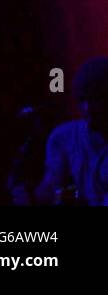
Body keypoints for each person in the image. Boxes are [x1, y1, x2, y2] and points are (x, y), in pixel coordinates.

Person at [36, 57, 108, 205]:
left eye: (96, 99)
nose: (87, 108)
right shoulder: (63, 138)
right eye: (82, 100)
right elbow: (49, 190)